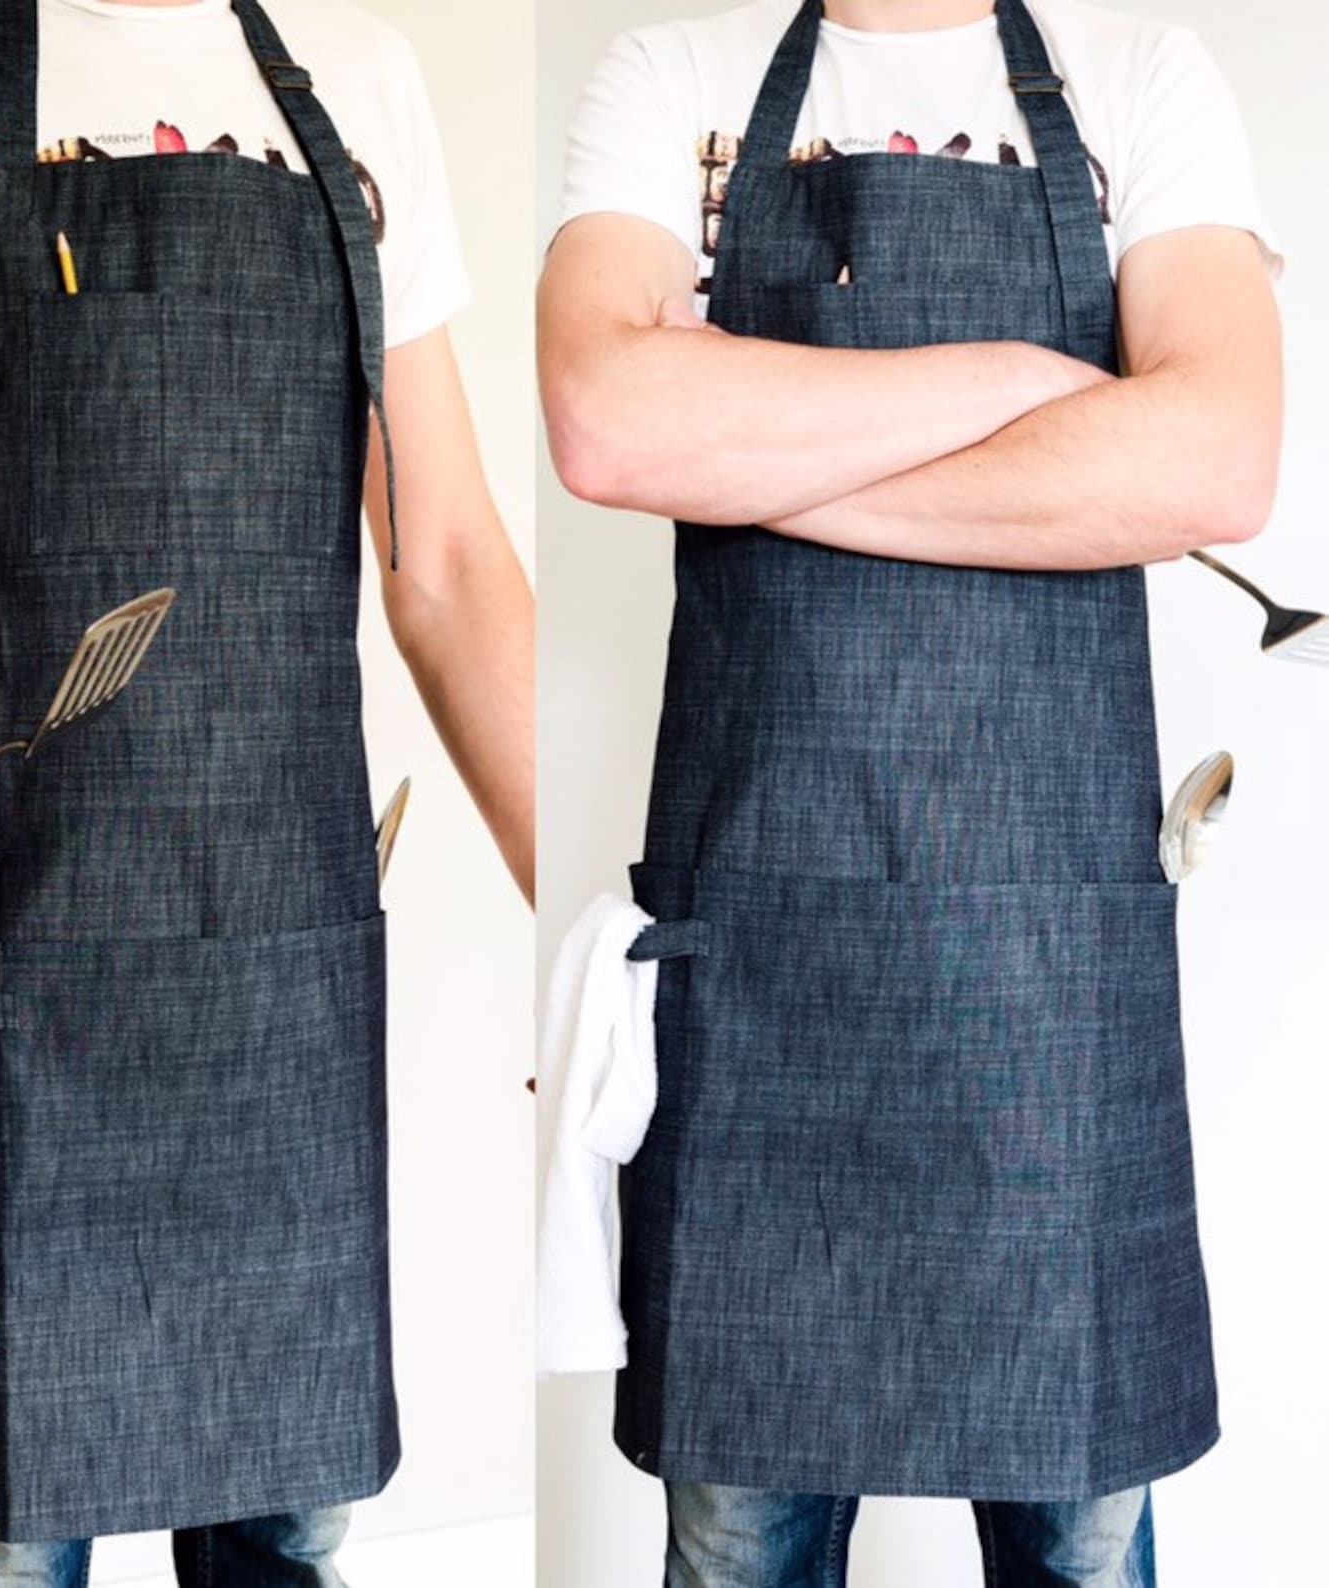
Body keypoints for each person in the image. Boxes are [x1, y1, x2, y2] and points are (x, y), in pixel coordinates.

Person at [0, 0, 532, 1584]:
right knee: (4, 1549)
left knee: (289, 1537)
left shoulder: (356, 77)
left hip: (283, 1001)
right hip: (8, 1002)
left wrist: (561, 885)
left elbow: (441, 565)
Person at [538, 0, 1282, 1584]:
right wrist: (1030, 383)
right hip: (757, 983)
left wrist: (760, 453)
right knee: (743, 1541)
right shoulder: (673, 72)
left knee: (1081, 1545)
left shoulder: (1140, 73)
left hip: (1048, 987)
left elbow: (1215, 458)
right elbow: (610, 424)